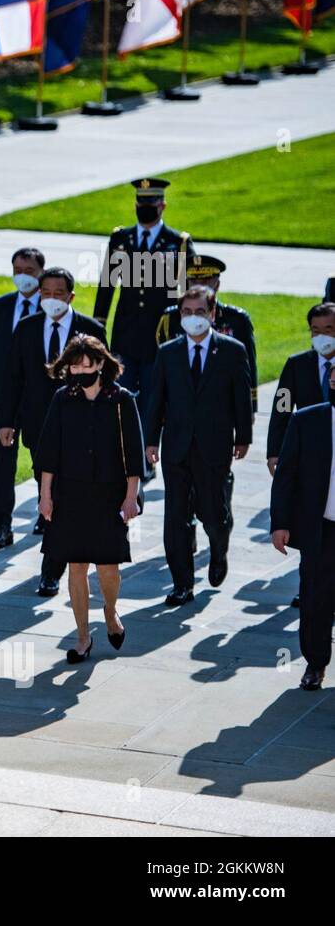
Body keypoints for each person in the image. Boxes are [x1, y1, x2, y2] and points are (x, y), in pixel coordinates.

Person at [0, 267, 106, 595]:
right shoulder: (26, 328)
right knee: (48, 486)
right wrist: (6, 421)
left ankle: (51, 570)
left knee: (59, 496)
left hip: (80, 430)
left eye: (59, 294)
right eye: (46, 293)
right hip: (37, 427)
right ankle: (55, 542)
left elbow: (106, 382)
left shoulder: (90, 329)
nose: (52, 299)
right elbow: (12, 377)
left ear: (71, 296)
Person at [36, 336, 144, 662]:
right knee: (77, 566)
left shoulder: (121, 400)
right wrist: (45, 497)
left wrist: (131, 497)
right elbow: (49, 453)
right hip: (69, 495)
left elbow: (133, 454)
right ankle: (83, 638)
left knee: (108, 568)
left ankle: (110, 612)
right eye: (74, 365)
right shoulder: (62, 399)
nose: (80, 371)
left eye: (87, 364)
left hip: (109, 496)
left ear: (100, 363)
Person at [143, 286, 253, 606]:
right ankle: (182, 584)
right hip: (177, 447)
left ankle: (218, 551)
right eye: (187, 313)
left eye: (200, 312)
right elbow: (156, 401)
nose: (193, 318)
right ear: (180, 316)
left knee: (212, 514)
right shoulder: (168, 353)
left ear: (213, 314)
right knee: (176, 516)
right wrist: (151, 440)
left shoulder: (232, 351)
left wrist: (243, 437)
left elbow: (240, 399)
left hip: (214, 446)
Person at [92, 178, 195, 415]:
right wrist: (99, 324)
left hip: (159, 334)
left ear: (163, 206)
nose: (144, 207)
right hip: (126, 333)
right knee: (119, 396)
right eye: (141, 202)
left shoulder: (177, 243)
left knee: (153, 399)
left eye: (151, 202)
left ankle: (148, 448)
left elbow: (186, 290)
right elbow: (107, 284)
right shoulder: (121, 238)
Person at [270, 371, 335, 690]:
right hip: (321, 529)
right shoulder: (308, 421)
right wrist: (280, 523)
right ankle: (315, 663)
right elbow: (286, 476)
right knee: (315, 599)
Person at [0, 248, 45, 549]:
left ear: (41, 272)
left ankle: (47, 511)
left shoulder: (50, 306)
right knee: (3, 463)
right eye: (18, 269)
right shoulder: (1, 306)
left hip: (38, 400)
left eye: (29, 270)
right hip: (5, 398)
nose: (23, 276)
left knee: (43, 460)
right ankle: (1, 525)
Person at [155, 255, 257, 415]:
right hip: (180, 403)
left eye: (206, 280)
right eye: (194, 280)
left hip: (222, 402)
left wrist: (250, 406)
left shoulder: (237, 319)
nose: (199, 286)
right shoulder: (171, 319)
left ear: (217, 284)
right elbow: (161, 368)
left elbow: (248, 365)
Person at [268, 302, 335, 475]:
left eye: (328, 330)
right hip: (308, 450)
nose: (322, 337)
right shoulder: (296, 365)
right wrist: (275, 451)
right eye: (316, 330)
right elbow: (281, 410)